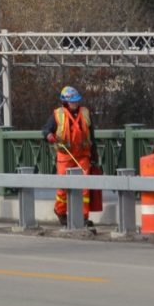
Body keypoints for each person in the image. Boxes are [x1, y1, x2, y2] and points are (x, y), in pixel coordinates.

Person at [42, 85, 95, 228]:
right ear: (65, 102)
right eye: (72, 102)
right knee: (63, 188)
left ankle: (83, 217)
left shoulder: (85, 113)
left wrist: (93, 156)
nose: (75, 104)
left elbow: (92, 136)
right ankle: (60, 212)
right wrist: (49, 135)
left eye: (77, 101)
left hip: (82, 155)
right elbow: (46, 129)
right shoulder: (58, 114)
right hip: (65, 155)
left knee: (85, 187)